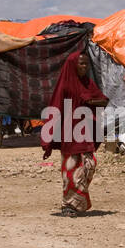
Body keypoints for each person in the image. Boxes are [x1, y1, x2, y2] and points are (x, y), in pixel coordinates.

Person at [41, 51, 108, 216]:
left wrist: (93, 102)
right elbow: (55, 109)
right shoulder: (65, 85)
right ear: (73, 65)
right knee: (71, 171)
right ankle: (68, 205)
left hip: (85, 132)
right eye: (81, 64)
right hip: (69, 133)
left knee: (89, 166)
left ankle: (77, 201)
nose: (84, 67)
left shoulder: (88, 83)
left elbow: (102, 99)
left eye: (86, 64)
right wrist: (49, 137)